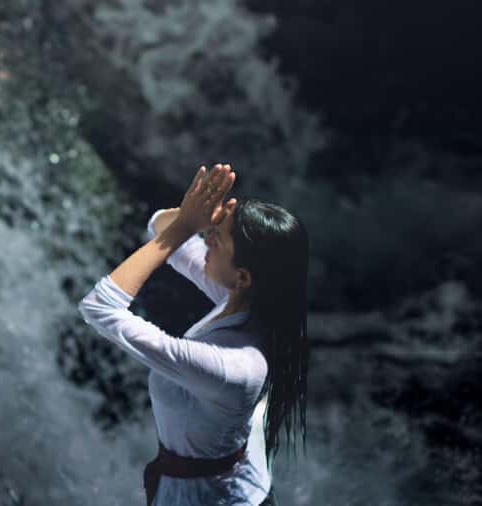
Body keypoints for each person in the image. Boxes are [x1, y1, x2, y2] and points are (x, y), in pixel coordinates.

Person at [77, 164, 309, 505]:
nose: (207, 239)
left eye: (218, 238)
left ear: (243, 276)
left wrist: (187, 225)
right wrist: (203, 218)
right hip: (212, 483)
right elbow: (158, 224)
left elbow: (99, 308)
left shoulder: (235, 366)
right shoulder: (245, 301)